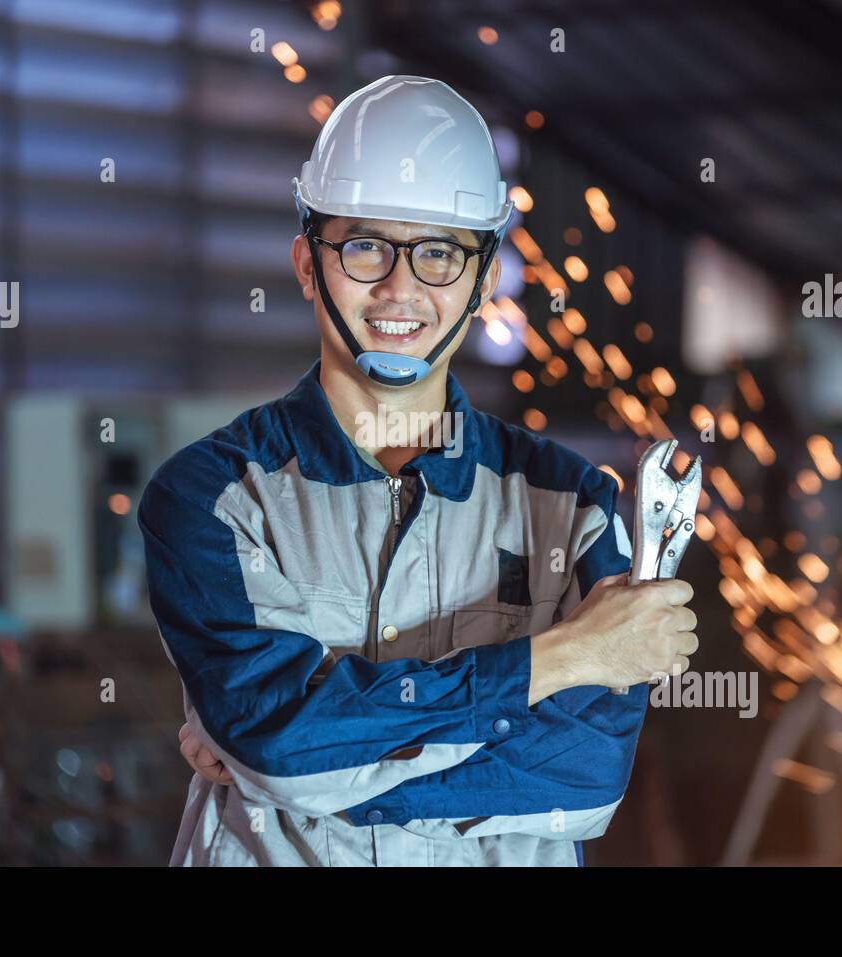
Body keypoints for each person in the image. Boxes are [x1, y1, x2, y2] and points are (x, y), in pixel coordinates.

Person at [138, 75, 698, 867]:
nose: (401, 287)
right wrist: (565, 657)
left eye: (439, 252)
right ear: (307, 264)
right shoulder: (211, 498)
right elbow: (279, 742)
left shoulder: (572, 502)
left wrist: (298, 760)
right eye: (366, 245)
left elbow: (583, 777)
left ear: (483, 283)